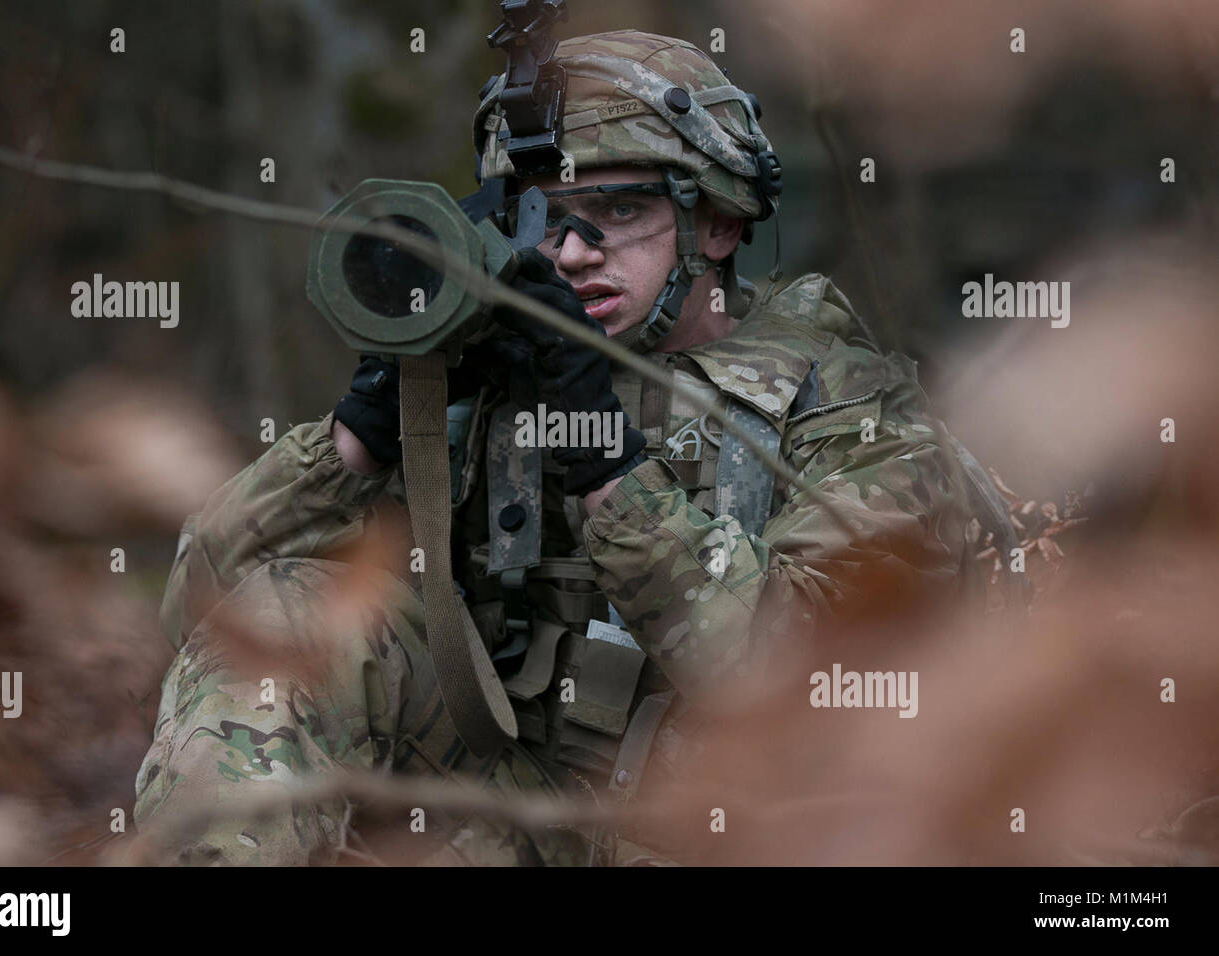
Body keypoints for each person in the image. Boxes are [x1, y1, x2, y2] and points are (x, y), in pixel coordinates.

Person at [134, 29, 1009, 865]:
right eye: (541, 216)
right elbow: (209, 618)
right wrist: (363, 431)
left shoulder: (844, 399)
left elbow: (806, 692)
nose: (572, 252)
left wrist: (607, 464)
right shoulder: (493, 373)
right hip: (513, 810)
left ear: (718, 224)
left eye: (620, 210)